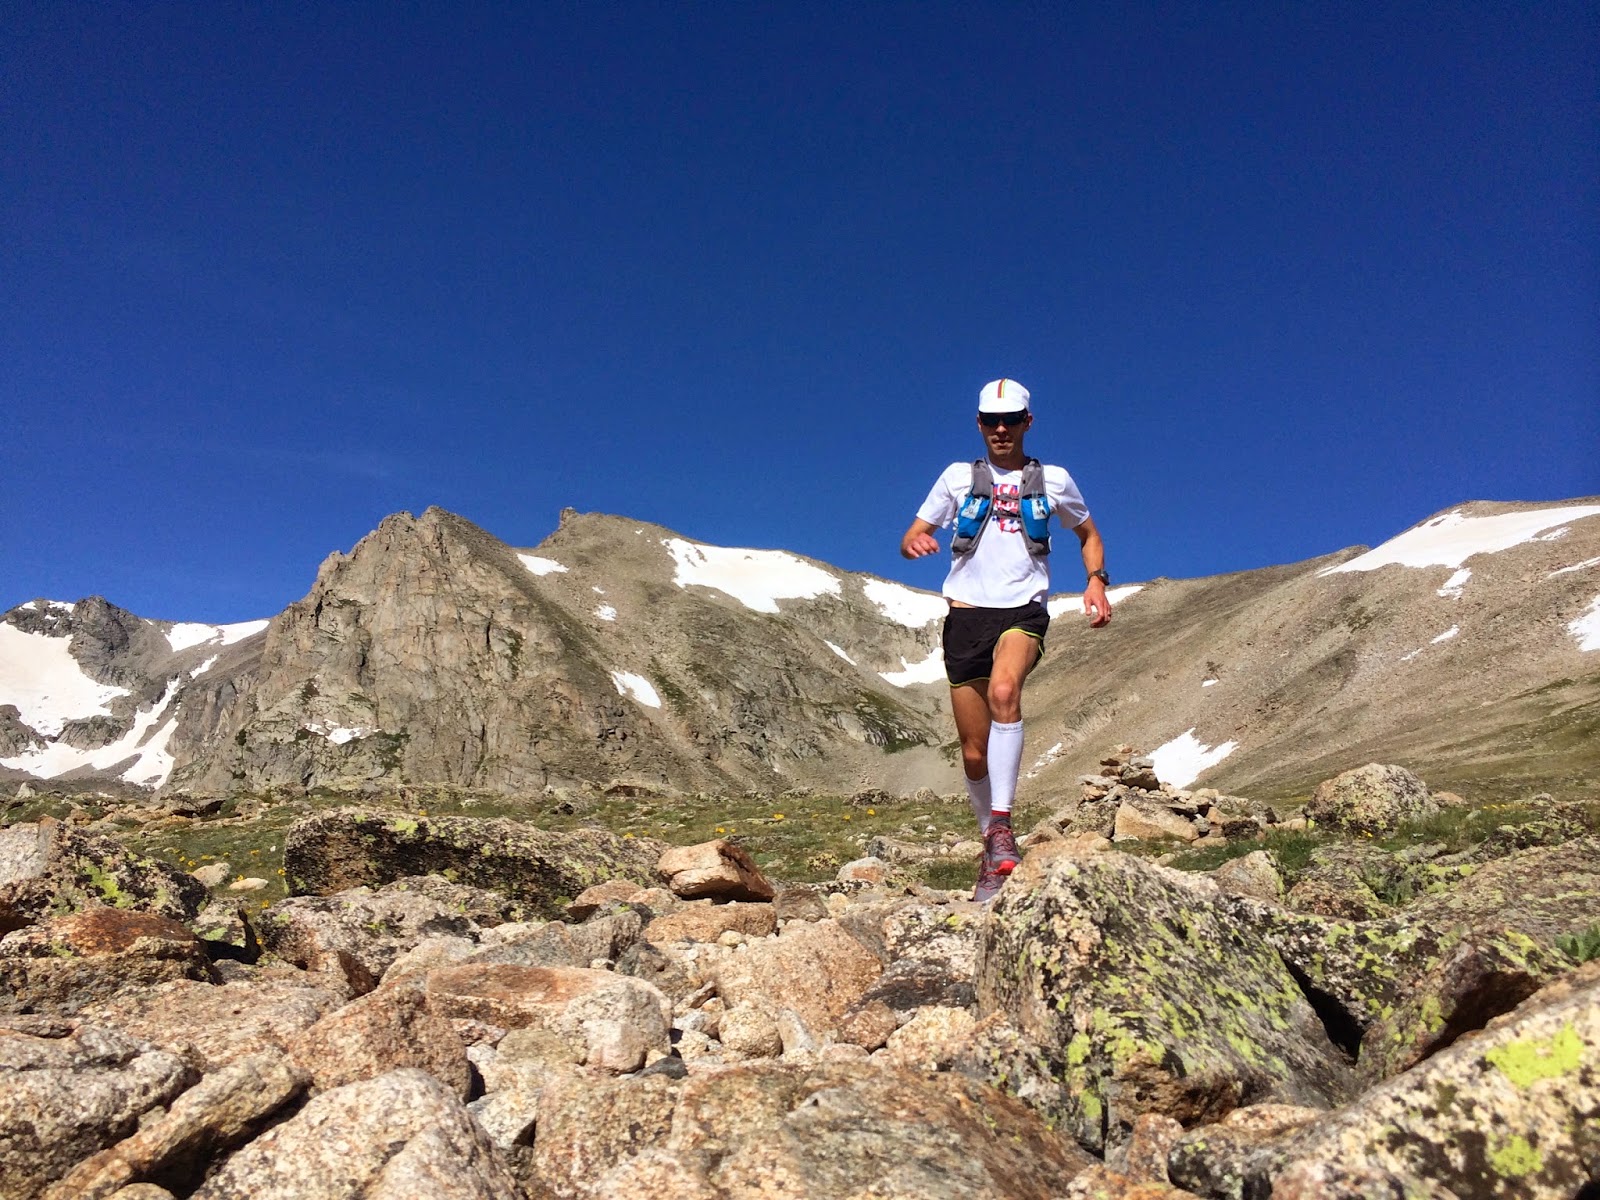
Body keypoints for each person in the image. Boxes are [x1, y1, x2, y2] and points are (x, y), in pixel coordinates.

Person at [900, 378, 1112, 902]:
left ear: (1027, 423)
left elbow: (1088, 533)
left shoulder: (1055, 480)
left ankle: (1002, 824)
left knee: (1004, 693)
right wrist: (918, 542)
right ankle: (991, 852)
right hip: (966, 616)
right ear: (978, 423)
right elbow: (909, 538)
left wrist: (1095, 582)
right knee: (974, 755)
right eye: (991, 421)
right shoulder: (956, 477)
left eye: (1011, 420)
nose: (1000, 429)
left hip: (1024, 610)